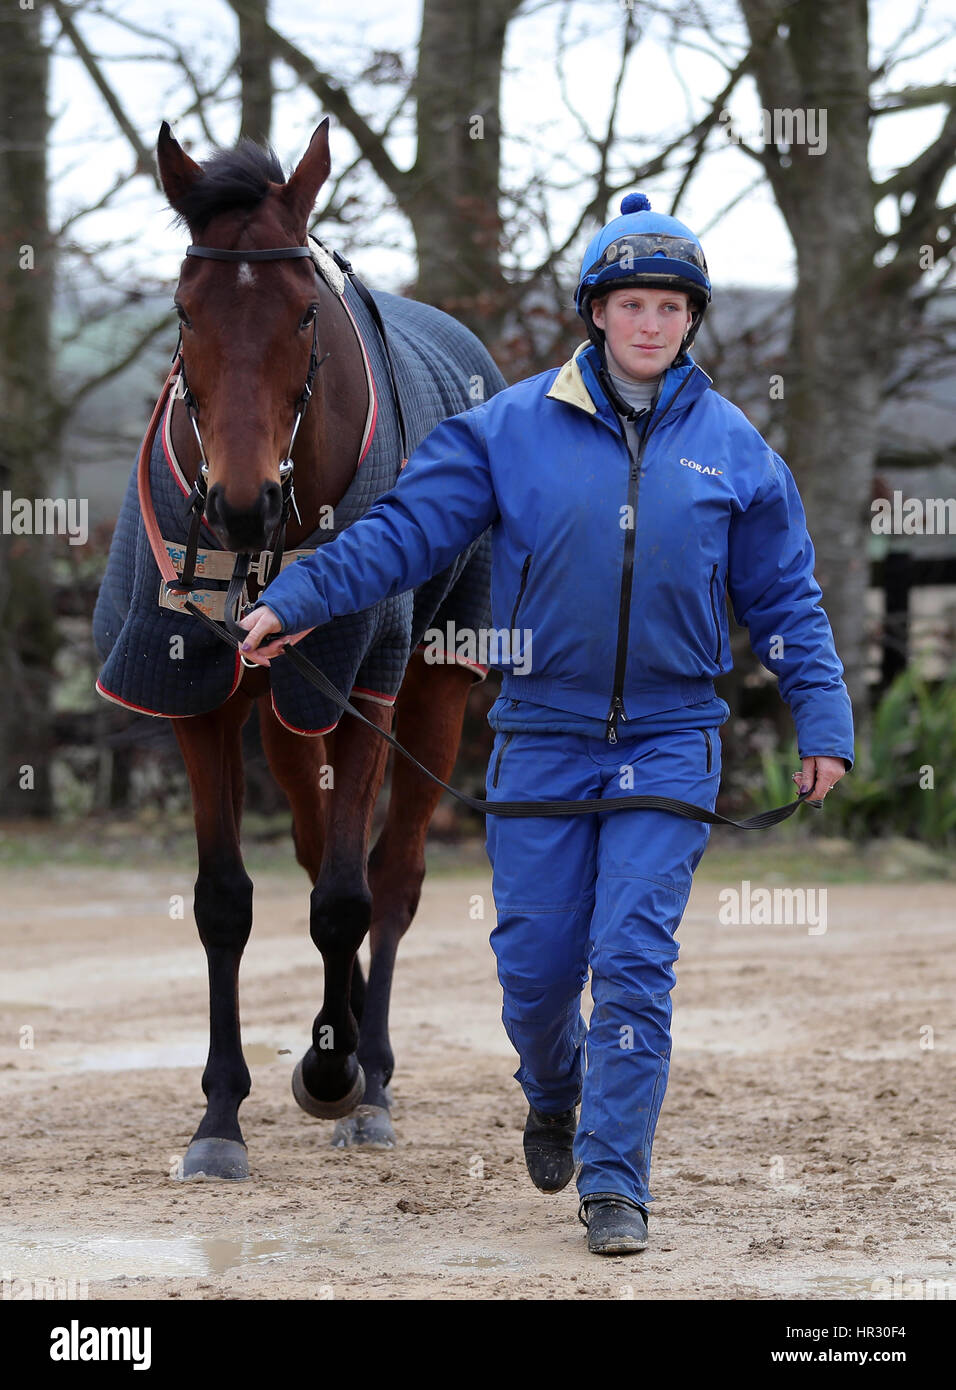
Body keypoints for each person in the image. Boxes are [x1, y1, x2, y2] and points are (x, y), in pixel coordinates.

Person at [239, 194, 853, 1256]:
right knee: (531, 972)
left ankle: (616, 1182)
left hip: (669, 737)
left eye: (669, 305)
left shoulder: (734, 450)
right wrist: (295, 599)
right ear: (595, 313)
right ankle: (552, 1092)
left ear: (690, 318)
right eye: (631, 303)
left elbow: (785, 598)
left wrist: (822, 714)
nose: (650, 324)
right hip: (540, 733)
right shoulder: (508, 429)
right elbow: (402, 534)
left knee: (629, 960)